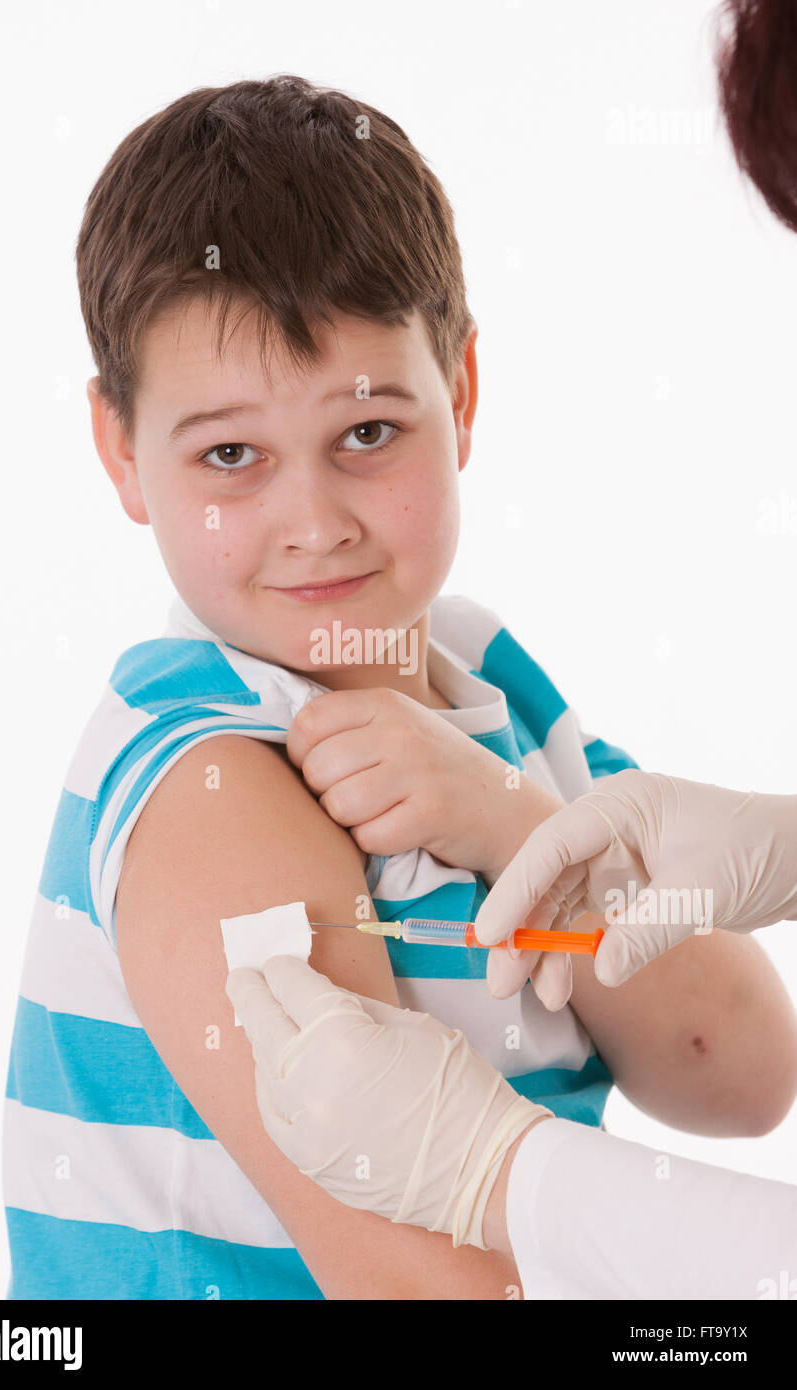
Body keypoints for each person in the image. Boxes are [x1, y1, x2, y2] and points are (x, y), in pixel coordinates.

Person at [225, 1, 797, 1299]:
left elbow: (752, 1072)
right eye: (230, 453)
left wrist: (496, 1171)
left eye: (369, 430)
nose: (311, 520)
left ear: (460, 394)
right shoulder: (205, 747)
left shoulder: (496, 697)